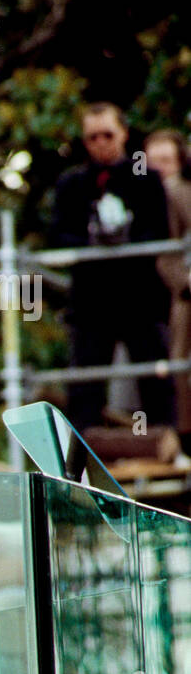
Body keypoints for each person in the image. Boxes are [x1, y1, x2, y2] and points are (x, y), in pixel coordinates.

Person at [48, 102, 172, 432]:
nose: (101, 143)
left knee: (154, 376)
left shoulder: (145, 177)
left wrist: (125, 242)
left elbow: (158, 229)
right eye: (92, 137)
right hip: (92, 298)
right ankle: (82, 454)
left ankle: (165, 443)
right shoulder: (71, 184)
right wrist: (91, 242)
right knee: (86, 382)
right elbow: (59, 234)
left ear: (123, 134)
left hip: (139, 295)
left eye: (108, 135)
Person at [146, 129, 191, 451]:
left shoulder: (180, 191)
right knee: (177, 365)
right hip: (173, 295)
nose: (160, 169)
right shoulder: (149, 193)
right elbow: (166, 252)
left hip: (178, 292)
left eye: (167, 161)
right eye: (153, 162)